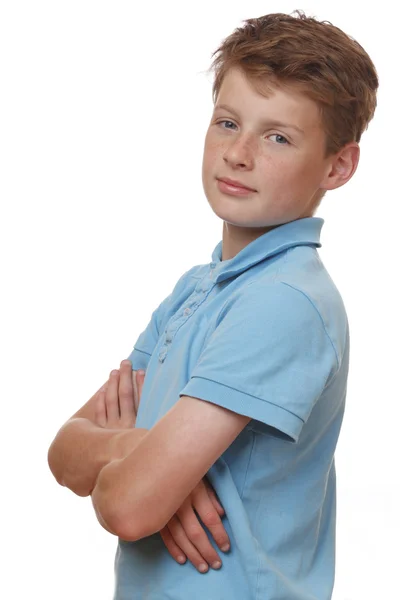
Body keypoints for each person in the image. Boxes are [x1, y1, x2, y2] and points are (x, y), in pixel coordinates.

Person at [47, 9, 379, 600]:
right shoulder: (200, 287)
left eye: (278, 137)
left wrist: (141, 474)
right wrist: (134, 449)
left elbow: (127, 507)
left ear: (338, 165)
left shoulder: (284, 301)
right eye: (228, 123)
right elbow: (63, 453)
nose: (238, 154)